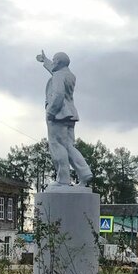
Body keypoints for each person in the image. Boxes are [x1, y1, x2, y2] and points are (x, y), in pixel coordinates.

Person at [36, 50, 93, 187]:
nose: (53, 62)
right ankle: (85, 172)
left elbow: (58, 94)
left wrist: (50, 112)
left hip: (58, 114)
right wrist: (45, 61)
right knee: (68, 146)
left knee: (57, 145)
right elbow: (56, 71)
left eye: (55, 60)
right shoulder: (70, 75)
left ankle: (63, 180)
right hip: (70, 114)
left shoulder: (58, 76)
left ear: (60, 62)